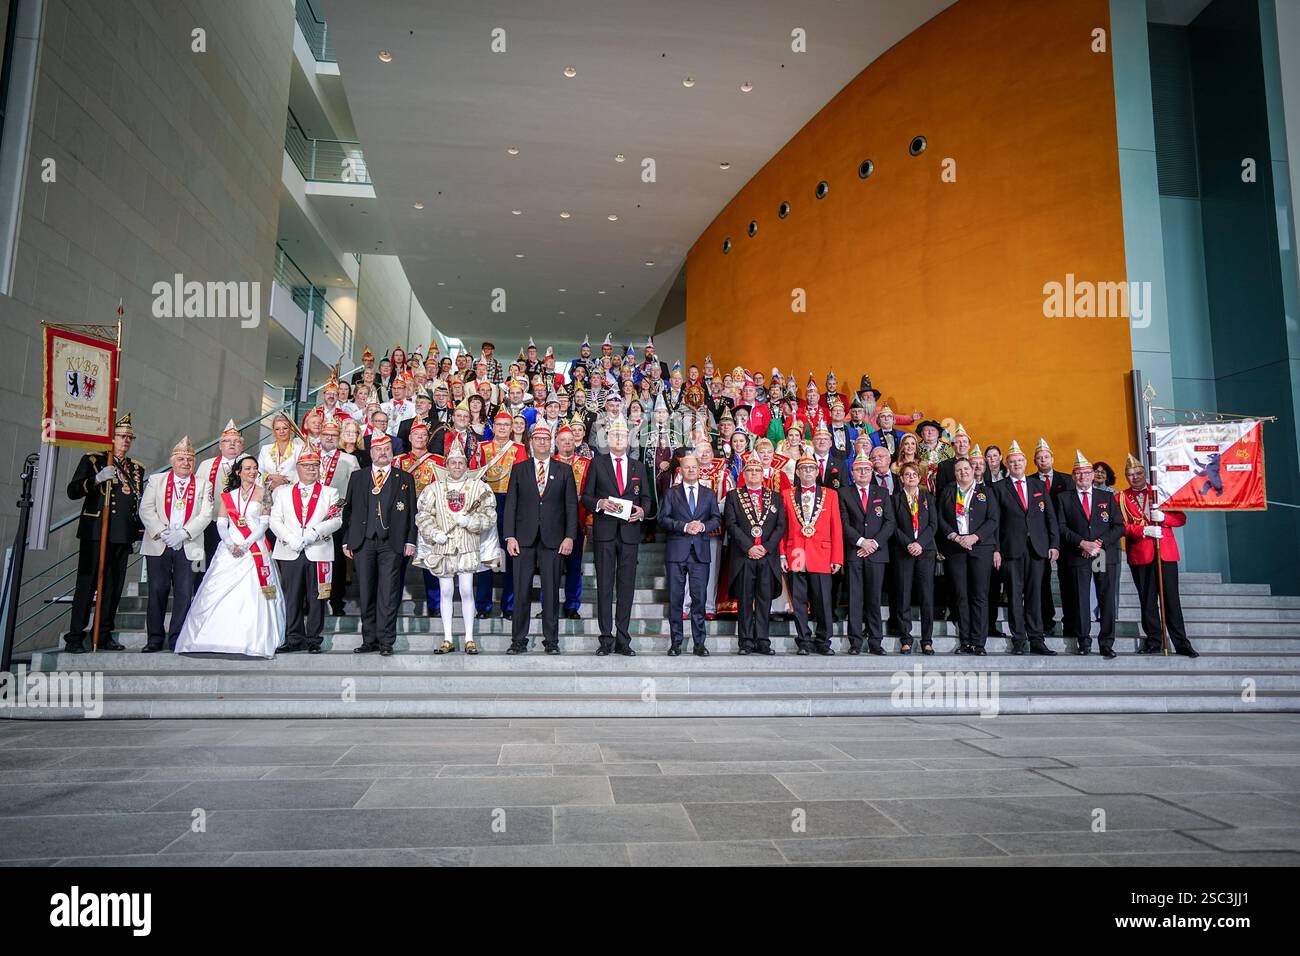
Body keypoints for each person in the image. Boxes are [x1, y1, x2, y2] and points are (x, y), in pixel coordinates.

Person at [174, 453, 285, 657]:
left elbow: (264, 523)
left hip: (254, 547)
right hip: (230, 547)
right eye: (248, 468)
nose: (252, 472)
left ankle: (255, 639)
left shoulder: (265, 494)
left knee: (257, 593)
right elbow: (221, 523)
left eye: (255, 468)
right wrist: (229, 543)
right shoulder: (229, 496)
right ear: (238, 472)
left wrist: (246, 543)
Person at [64, 412, 145, 653]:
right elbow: (73, 490)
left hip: (122, 535)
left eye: (129, 437)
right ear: (111, 439)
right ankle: (75, 636)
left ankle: (103, 634)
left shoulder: (136, 468)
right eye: (121, 436)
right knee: (87, 586)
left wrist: (139, 534)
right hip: (96, 533)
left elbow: (138, 503)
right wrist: (97, 479)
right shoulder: (93, 461)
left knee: (113, 588)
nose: (125, 441)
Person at [414, 437, 501, 655]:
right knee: (445, 591)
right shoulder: (433, 488)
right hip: (443, 547)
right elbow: (423, 514)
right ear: (446, 464)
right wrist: (433, 532)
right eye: (453, 462)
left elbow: (490, 515)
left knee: (465, 590)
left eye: (461, 463)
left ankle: (470, 638)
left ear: (466, 464)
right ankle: (447, 638)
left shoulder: (478, 488)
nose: (457, 466)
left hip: (468, 546)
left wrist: (470, 522)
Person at [504, 422, 578, 654]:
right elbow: (511, 506)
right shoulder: (519, 469)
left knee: (551, 591)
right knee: (521, 591)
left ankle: (551, 641)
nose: (542, 442)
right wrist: (509, 537)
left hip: (554, 540)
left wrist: (569, 537)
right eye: (538, 439)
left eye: (546, 439)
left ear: (552, 442)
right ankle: (518, 641)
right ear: (531, 442)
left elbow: (571, 507)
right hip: (523, 538)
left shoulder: (564, 470)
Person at [343, 434, 417, 657]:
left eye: (386, 448)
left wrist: (410, 540)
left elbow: (413, 513)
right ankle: (369, 639)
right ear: (371, 453)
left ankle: (386, 641)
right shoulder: (358, 477)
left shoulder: (404, 477)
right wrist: (347, 539)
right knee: (366, 591)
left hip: (391, 543)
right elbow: (348, 510)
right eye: (378, 449)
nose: (382, 452)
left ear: (392, 452)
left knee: (388, 593)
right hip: (363, 541)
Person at [1118, 454, 1199, 658]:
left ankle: (1181, 643)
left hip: (1166, 553)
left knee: (1172, 600)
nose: (1135, 477)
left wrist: (1164, 518)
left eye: (1138, 473)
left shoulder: (1161, 492)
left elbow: (1181, 518)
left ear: (1145, 473)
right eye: (1130, 475)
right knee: (1147, 601)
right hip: (1140, 554)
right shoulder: (1120, 498)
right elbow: (1120, 526)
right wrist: (1143, 531)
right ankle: (1154, 640)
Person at [581, 416, 649, 656]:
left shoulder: (638, 467)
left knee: (626, 588)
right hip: (605, 534)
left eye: (622, 435)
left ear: (628, 439)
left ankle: (623, 639)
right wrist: (600, 502)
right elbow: (586, 497)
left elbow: (648, 500)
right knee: (605, 588)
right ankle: (605, 639)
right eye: (614, 435)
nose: (619, 438)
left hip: (629, 534)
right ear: (607, 439)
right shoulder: (597, 464)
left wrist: (642, 511)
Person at [139, 436, 213, 652]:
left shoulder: (203, 484)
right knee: (157, 590)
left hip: (190, 546)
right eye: (181, 459)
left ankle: (177, 638)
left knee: (183, 592)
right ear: (172, 460)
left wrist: (183, 533)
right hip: (159, 544)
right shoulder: (157, 480)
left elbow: (206, 514)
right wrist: (163, 533)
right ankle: (154, 638)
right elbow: (146, 509)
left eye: (190, 459)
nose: (186, 463)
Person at [269, 450, 343, 654]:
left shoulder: (330, 492)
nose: (311, 469)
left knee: (317, 597)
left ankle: (313, 639)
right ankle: (293, 638)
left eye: (315, 465)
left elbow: (336, 520)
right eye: (306, 465)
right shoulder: (282, 492)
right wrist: (290, 538)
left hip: (318, 550)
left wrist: (313, 534)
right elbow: (274, 520)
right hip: (290, 550)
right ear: (297, 469)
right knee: (291, 596)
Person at [991, 439, 1060, 655]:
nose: (1016, 464)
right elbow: (995, 521)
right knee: (1014, 595)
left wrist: (1054, 544)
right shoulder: (998, 488)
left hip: (1037, 549)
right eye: (1012, 461)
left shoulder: (1038, 486)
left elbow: (1050, 517)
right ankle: (1019, 639)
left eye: (1020, 460)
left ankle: (1037, 639)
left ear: (1025, 463)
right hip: (1011, 549)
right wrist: (996, 549)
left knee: (1035, 595)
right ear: (1007, 465)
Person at [1055, 450, 1123, 658]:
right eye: (1078, 473)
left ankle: (1106, 642)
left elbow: (1118, 526)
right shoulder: (1064, 498)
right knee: (1081, 598)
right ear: (1074, 476)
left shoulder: (1107, 497)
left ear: (1093, 475)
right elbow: (1061, 527)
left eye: (1086, 472)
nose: (1082, 476)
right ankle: (1083, 641)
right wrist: (1082, 543)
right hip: (1078, 554)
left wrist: (1098, 544)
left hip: (1101, 555)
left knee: (1105, 597)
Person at [781, 454, 845, 655]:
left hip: (822, 554)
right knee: (798, 601)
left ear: (817, 472)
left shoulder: (831, 494)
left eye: (811, 469)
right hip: (796, 552)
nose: (808, 472)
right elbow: (782, 528)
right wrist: (782, 555)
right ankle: (804, 641)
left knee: (823, 601)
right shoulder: (786, 494)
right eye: (804, 469)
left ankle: (823, 641)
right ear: (798, 473)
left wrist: (837, 558)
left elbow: (837, 527)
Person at [659, 452, 722, 656]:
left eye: (694, 466)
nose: (691, 469)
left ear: (699, 468)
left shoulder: (709, 494)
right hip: (677, 552)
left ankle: (699, 643)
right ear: (681, 470)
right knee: (676, 599)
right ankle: (675, 642)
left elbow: (716, 519)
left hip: (700, 554)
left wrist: (703, 526)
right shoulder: (671, 493)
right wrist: (684, 526)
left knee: (699, 599)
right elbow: (663, 519)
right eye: (687, 467)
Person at [724, 458, 786, 655]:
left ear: (763, 474)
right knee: (745, 600)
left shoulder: (775, 496)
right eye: (750, 470)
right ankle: (746, 642)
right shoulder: (733, 496)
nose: (753, 474)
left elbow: (780, 526)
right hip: (744, 556)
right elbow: (731, 524)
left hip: (767, 557)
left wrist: (766, 547)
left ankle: (763, 641)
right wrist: (749, 547)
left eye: (757, 471)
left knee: (764, 600)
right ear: (744, 474)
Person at [938, 456, 999, 655]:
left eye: (966, 469)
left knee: (979, 596)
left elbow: (993, 520)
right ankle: (965, 641)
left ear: (973, 471)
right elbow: (940, 519)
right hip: (956, 549)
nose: (963, 472)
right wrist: (955, 537)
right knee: (961, 596)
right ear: (954, 473)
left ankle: (979, 643)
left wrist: (974, 537)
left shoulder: (987, 492)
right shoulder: (948, 492)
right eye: (959, 470)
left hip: (980, 548)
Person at [475, 409, 528, 619]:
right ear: (493, 427)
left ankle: (509, 606)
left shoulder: (519, 449)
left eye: (507, 425)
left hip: (511, 503)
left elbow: (524, 480)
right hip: (487, 503)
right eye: (499, 425)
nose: (503, 428)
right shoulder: (483, 448)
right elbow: (474, 475)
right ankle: (483, 606)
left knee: (510, 555)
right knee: (485, 555)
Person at [839, 456, 895, 655]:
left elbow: (889, 523)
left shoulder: (883, 492)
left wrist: (874, 543)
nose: (863, 473)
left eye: (866, 469)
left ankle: (875, 642)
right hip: (855, 552)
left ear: (872, 472)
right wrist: (862, 542)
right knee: (855, 598)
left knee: (874, 598)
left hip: (877, 553)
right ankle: (855, 642)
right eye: (858, 469)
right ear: (852, 473)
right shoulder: (844, 493)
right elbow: (844, 523)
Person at [888, 461, 937, 655]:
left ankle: (927, 640)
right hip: (903, 552)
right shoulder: (895, 499)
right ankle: (906, 638)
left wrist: (920, 544)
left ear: (919, 478)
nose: (910, 477)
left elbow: (933, 525)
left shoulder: (928, 497)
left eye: (914, 475)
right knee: (903, 595)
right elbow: (893, 526)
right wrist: (908, 543)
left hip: (925, 552)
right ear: (901, 478)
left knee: (926, 596)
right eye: (907, 474)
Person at [318, 420, 360, 615]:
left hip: (338, 517)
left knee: (337, 561)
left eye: (334, 435)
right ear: (320, 435)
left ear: (339, 438)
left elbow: (356, 490)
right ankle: (312, 602)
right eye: (326, 434)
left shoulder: (349, 460)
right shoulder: (309, 457)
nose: (329, 438)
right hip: (311, 518)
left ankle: (336, 601)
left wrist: (339, 508)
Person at [1034, 437, 1073, 636]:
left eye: (1046, 457)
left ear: (1052, 458)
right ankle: (1046, 621)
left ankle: (1070, 623)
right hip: (1040, 538)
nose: (1043, 460)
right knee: (1042, 581)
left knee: (1067, 581)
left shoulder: (1067, 481)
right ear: (1035, 461)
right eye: (1039, 458)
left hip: (1065, 538)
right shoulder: (1030, 481)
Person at [196, 418, 245, 570]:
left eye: (236, 441)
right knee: (206, 563)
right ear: (220, 445)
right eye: (227, 441)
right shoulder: (206, 464)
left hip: (238, 525)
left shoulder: (249, 463)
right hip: (211, 522)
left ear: (242, 445)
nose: (231, 444)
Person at [554, 423, 592, 620]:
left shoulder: (586, 463)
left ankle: (572, 605)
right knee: (551, 567)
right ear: (556, 443)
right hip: (552, 523)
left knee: (575, 567)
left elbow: (591, 492)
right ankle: (548, 604)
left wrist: (588, 520)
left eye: (570, 440)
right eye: (563, 440)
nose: (567, 443)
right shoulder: (549, 462)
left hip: (577, 520)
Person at [258, 413, 304, 494]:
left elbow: (302, 472)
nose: (281, 431)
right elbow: (258, 471)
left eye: (285, 428)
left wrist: (283, 481)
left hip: (289, 492)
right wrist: (269, 476)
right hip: (267, 492)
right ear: (273, 431)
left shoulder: (299, 449)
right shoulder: (265, 449)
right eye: (277, 429)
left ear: (291, 429)